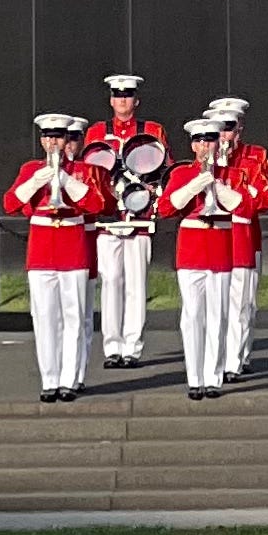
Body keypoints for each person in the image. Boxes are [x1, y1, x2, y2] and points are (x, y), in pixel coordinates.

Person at [162, 100, 268, 399]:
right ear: (192, 145)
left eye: (211, 139)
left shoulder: (235, 174)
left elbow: (251, 205)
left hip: (223, 248)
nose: (207, 145)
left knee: (220, 315)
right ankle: (194, 378)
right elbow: (165, 208)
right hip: (192, 251)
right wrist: (194, 186)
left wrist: (219, 186)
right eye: (200, 140)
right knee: (192, 316)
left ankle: (215, 376)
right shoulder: (181, 173)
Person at [0, 114, 113, 403]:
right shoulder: (31, 169)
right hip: (41, 249)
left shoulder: (80, 170)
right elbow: (11, 203)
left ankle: (69, 379)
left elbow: (96, 204)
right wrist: (36, 183)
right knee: (45, 317)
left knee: (73, 316)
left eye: (59, 137)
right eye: (48, 137)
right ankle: (49, 379)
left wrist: (65, 180)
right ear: (41, 140)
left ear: (66, 141)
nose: (53, 142)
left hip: (72, 247)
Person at [81, 73, 170, 369]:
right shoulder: (97, 131)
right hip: (109, 217)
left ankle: (132, 346)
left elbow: (165, 170)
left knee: (136, 284)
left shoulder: (152, 130)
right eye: (118, 95)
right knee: (111, 282)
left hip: (140, 216)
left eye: (128, 95)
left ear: (136, 100)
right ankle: (112, 347)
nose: (122, 100)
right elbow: (90, 171)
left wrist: (152, 193)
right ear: (110, 100)